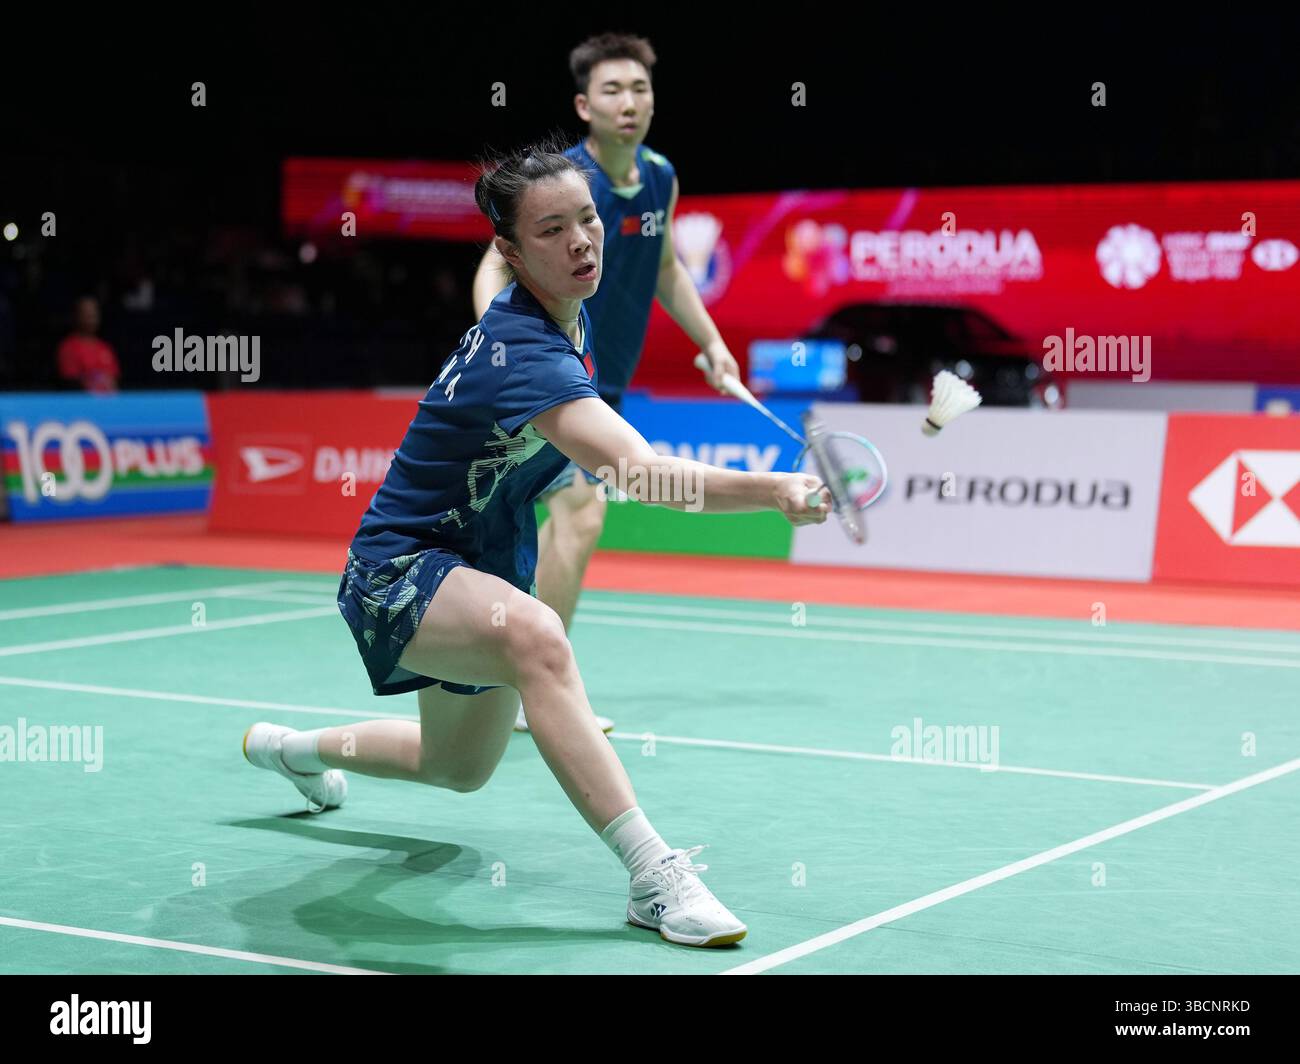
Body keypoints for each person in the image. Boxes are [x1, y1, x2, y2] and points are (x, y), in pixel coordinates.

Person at [242, 139, 827, 947]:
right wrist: (774, 491)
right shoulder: (524, 350)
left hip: (471, 565)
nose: (583, 240)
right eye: (552, 230)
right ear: (512, 254)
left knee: (456, 769)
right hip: (399, 568)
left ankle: (291, 750)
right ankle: (654, 877)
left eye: (587, 219)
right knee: (539, 639)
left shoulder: (568, 318)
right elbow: (644, 473)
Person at [471, 33, 741, 735]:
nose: (630, 103)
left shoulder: (660, 177)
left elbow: (667, 271)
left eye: (640, 89)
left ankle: (512, 670)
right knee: (582, 515)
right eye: (613, 91)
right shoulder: (564, 179)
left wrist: (710, 344)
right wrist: (499, 349)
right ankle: (541, 684)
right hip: (545, 377)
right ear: (584, 106)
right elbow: (493, 268)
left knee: (537, 522)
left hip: (602, 384)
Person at [56, 296, 120, 393]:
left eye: (94, 314)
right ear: (77, 316)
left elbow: (113, 380)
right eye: (87, 314)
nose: (91, 318)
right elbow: (70, 382)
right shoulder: (68, 347)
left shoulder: (105, 347)